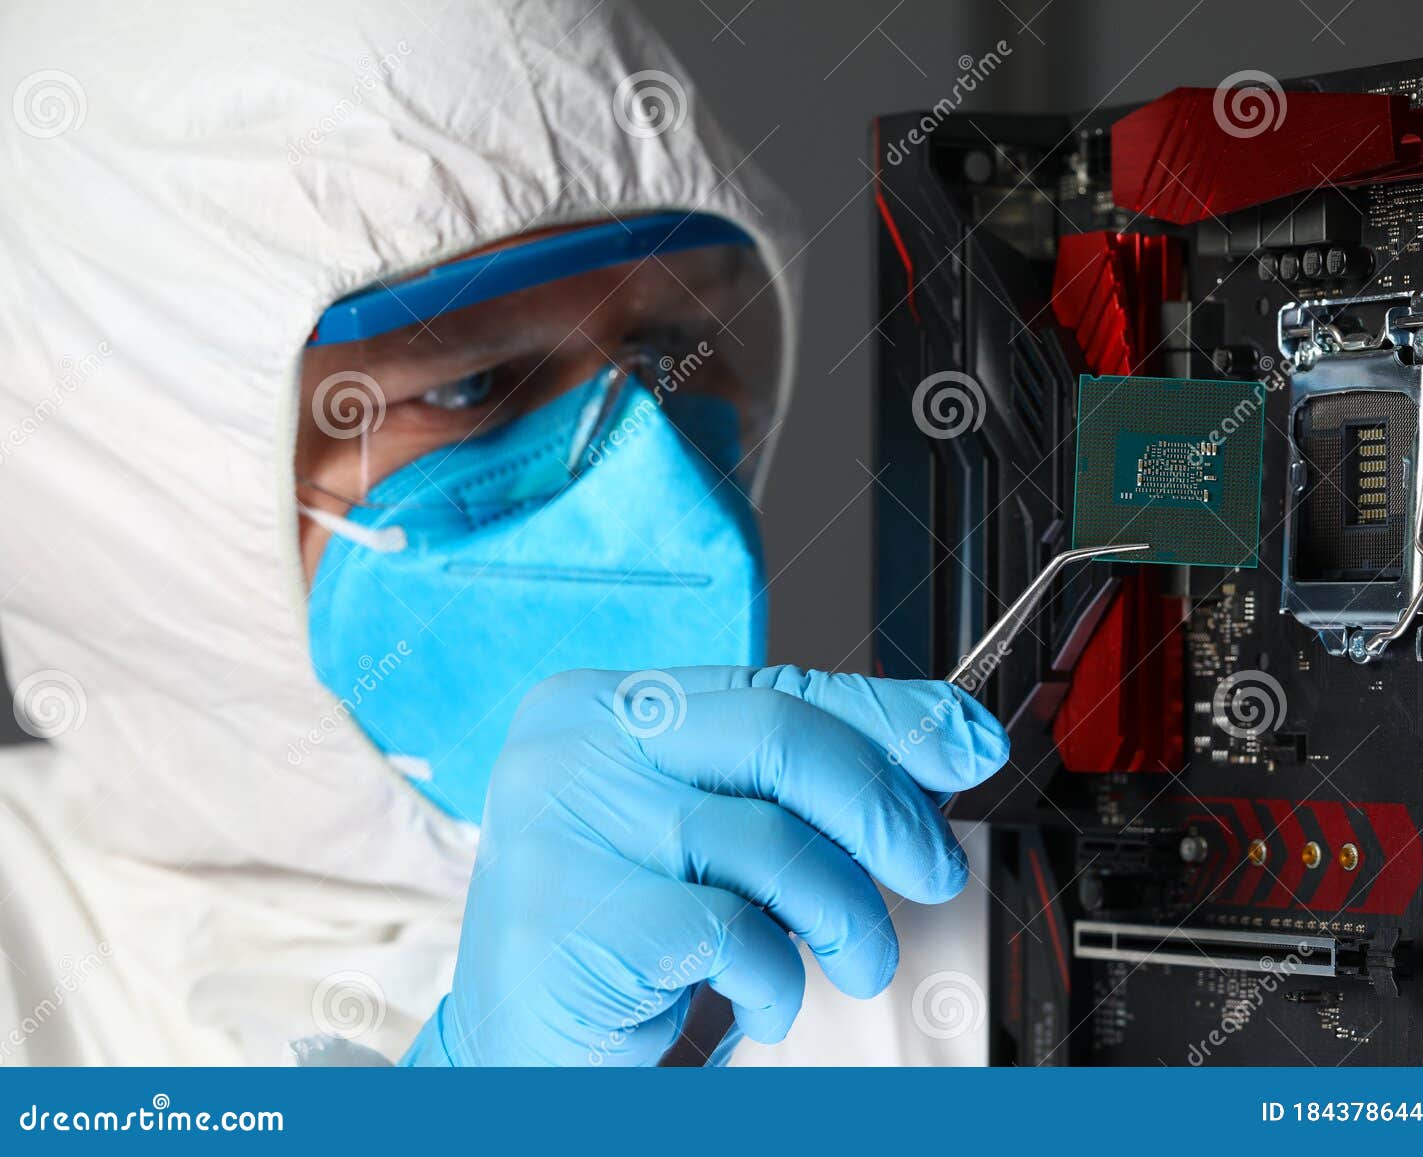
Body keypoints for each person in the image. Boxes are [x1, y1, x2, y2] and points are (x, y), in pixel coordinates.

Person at [0, 0, 1005, 1066]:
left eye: (671, 343)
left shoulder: (936, 935)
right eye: (475, 380)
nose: (657, 481)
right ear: (133, 473)